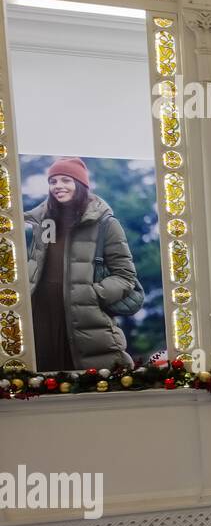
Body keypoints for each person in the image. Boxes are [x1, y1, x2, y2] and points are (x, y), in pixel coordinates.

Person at [25, 156, 136, 371]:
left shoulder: (106, 224)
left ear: (80, 184)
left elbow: (125, 276)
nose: (58, 186)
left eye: (65, 180)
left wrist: (92, 294)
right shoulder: (44, 222)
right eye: (53, 181)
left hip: (84, 317)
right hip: (42, 318)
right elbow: (35, 264)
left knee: (95, 386)